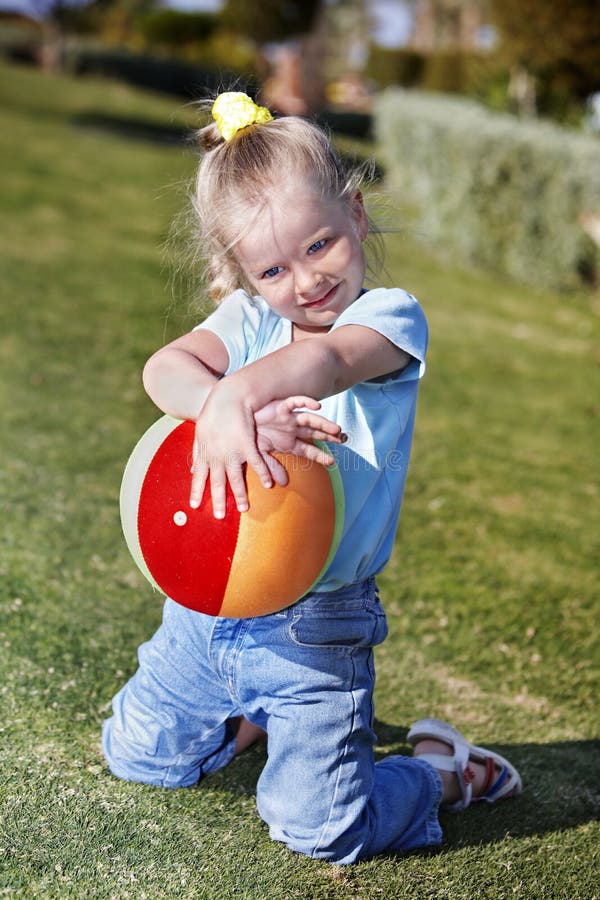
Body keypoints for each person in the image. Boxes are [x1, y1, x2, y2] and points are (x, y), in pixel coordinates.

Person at [102, 92, 522, 864]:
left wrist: (238, 395)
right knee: (137, 756)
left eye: (320, 245)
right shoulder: (249, 321)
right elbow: (164, 368)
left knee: (323, 831)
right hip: (206, 606)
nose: (304, 280)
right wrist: (220, 407)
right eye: (271, 268)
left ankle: (438, 776)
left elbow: (324, 363)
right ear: (242, 273)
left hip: (318, 626)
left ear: (356, 214)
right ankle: (247, 717)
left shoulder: (389, 320)